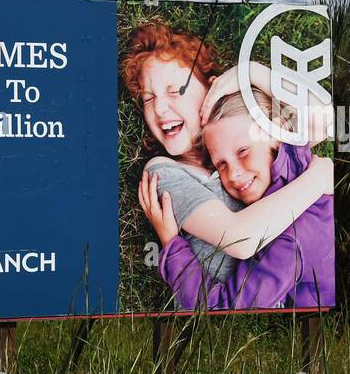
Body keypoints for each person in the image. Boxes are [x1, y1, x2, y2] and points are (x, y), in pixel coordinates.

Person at [121, 20, 332, 285]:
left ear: (212, 88)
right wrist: (318, 178)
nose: (160, 109)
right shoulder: (164, 172)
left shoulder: (251, 138)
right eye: (149, 99)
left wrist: (252, 73)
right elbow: (240, 240)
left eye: (175, 91)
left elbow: (323, 123)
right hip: (226, 310)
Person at [140, 87, 335, 310]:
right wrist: (246, 72)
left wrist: (172, 244)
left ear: (278, 133)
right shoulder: (295, 159)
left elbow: (222, 308)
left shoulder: (291, 241)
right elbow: (321, 119)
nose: (233, 175)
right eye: (220, 164)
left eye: (243, 151)